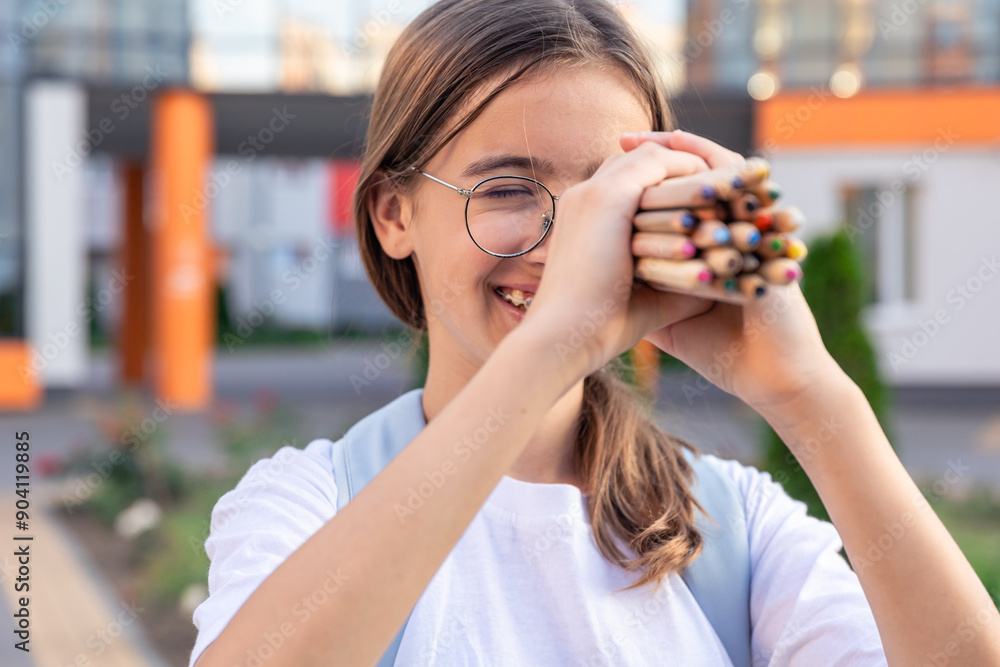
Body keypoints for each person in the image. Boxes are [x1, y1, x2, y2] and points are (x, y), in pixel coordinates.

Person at [189, 1, 1000, 665]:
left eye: (610, 193)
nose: (570, 245)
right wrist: (556, 340)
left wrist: (810, 390)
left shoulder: (735, 527)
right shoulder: (305, 504)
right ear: (394, 213)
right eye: (507, 188)